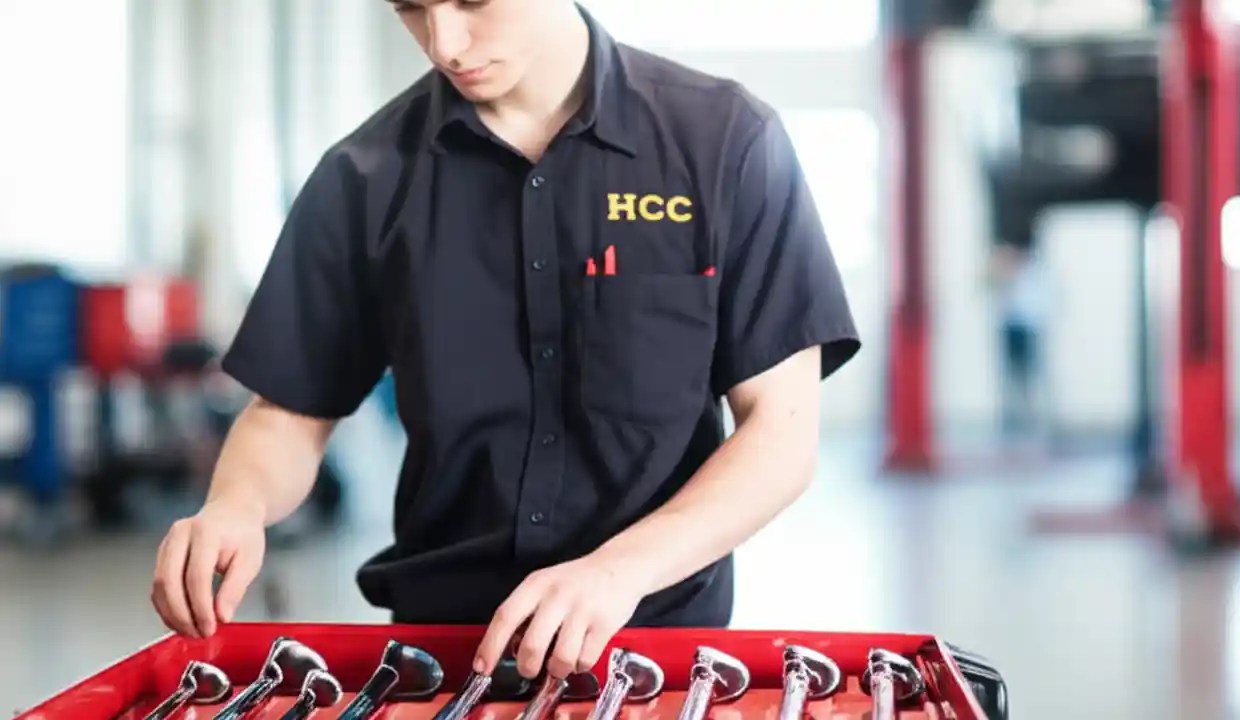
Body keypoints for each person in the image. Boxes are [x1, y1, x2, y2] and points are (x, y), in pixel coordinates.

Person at [150, 0, 861, 683]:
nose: (444, 43)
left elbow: (781, 436)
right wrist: (234, 506)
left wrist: (620, 569)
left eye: (473, 1)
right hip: (440, 656)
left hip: (657, 652)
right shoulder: (363, 179)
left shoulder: (723, 144)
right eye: (411, 9)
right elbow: (288, 414)